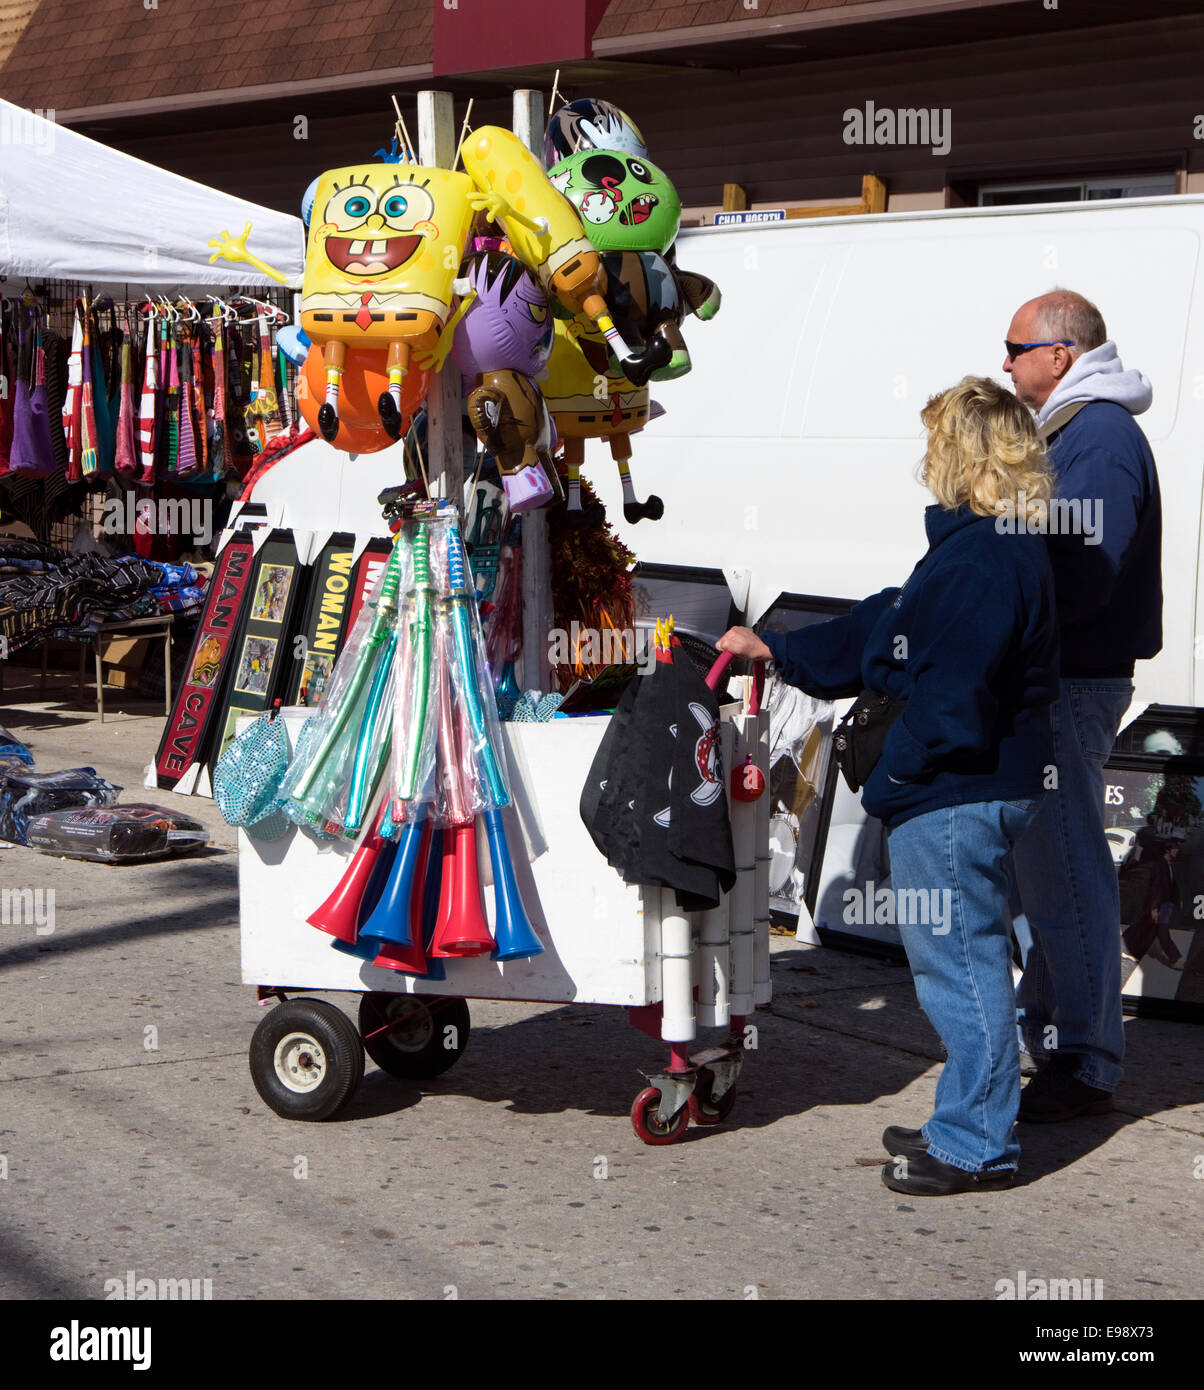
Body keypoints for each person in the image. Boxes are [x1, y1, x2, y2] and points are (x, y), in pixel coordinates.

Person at [718, 377, 1058, 1196]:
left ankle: (976, 1143)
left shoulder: (983, 555)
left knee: (961, 969)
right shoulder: (984, 542)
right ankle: (969, 1116)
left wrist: (895, 775)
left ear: (964, 455)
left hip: (953, 791)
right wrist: (782, 652)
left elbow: (950, 698)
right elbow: (888, 621)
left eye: (937, 443)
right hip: (969, 786)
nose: (926, 460)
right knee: (961, 962)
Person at [1002, 289, 1163, 1121]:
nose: (1005, 361)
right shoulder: (1081, 427)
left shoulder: (1095, 435)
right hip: (1069, 677)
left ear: (1061, 353)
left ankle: (1088, 1057)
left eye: (1015, 345)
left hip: (1073, 678)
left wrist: (1004, 611)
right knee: (1049, 871)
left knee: (1064, 870)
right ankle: (1059, 1039)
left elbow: (1087, 572)